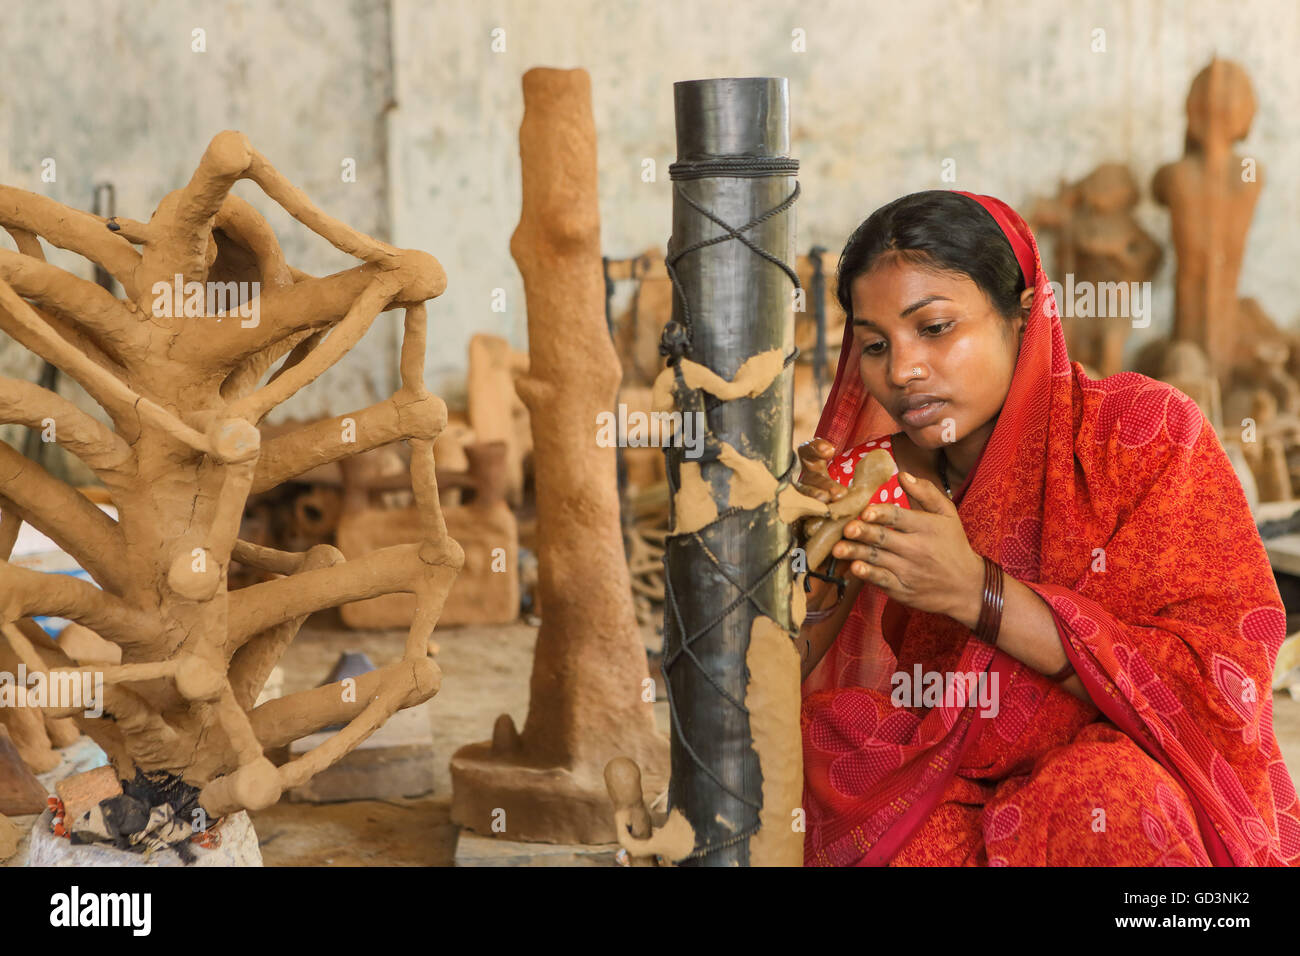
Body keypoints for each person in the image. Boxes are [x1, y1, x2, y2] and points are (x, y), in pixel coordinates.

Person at [793, 189, 1300, 866]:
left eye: (935, 328)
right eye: (876, 345)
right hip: (955, 770)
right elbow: (775, 666)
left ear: (1023, 317)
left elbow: (1219, 685)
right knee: (799, 749)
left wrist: (976, 592)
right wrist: (815, 549)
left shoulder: (1146, 435)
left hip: (1128, 774)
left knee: (1107, 803)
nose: (903, 370)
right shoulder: (883, 478)